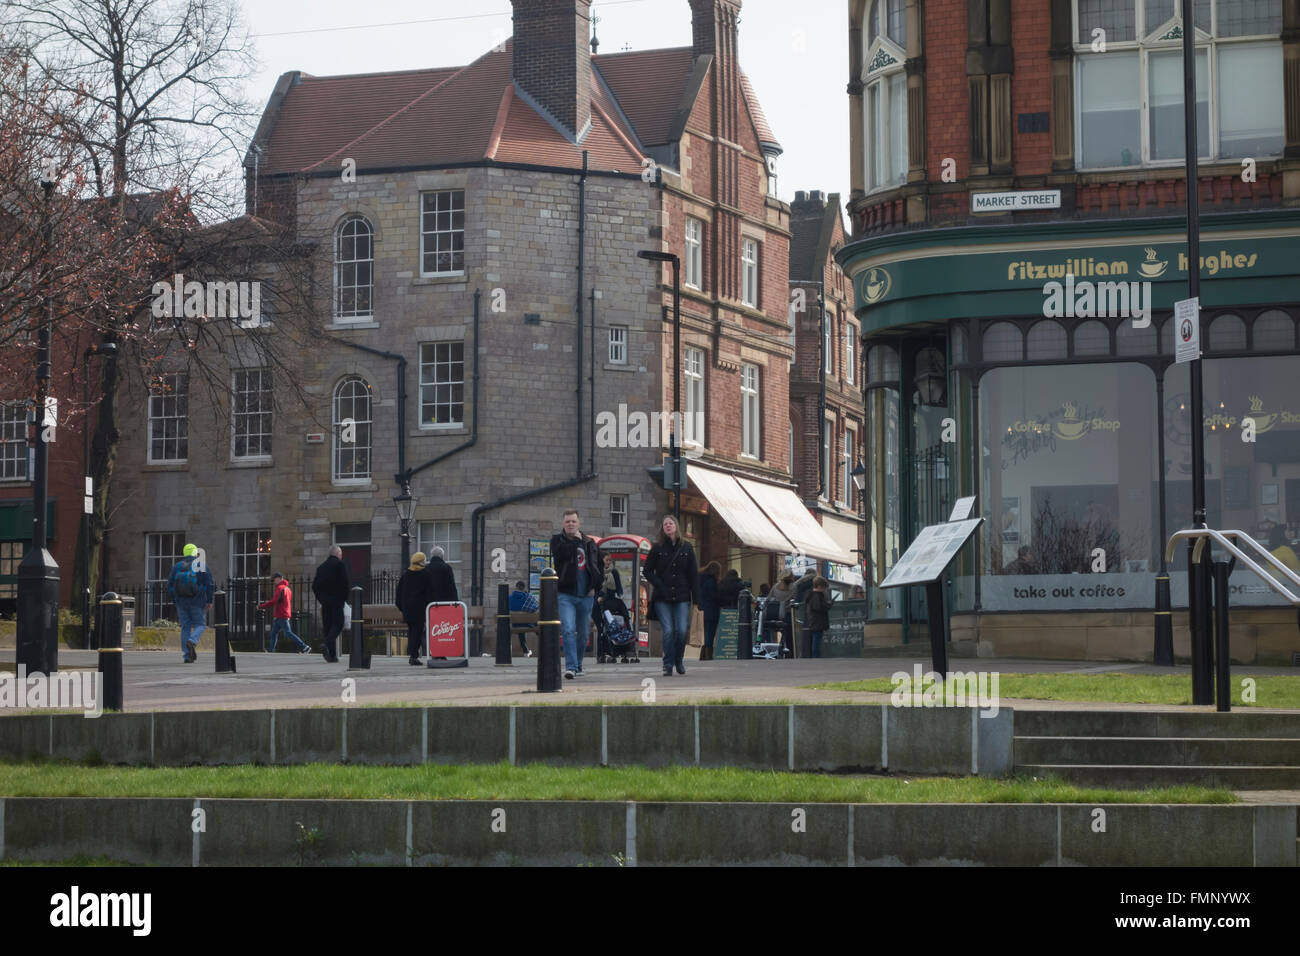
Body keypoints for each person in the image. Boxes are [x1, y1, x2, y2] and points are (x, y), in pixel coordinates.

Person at [550, 509, 604, 679]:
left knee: (583, 634)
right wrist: (575, 542)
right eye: (567, 522)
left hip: (587, 594)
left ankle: (578, 665)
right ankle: (571, 667)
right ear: (563, 524)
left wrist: (597, 586)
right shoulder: (557, 541)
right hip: (566, 593)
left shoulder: (590, 543)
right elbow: (561, 554)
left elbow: (599, 566)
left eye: (573, 521)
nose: (570, 524)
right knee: (567, 629)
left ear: (579, 523)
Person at [645, 515, 699, 677]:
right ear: (662, 528)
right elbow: (647, 570)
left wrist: (697, 599)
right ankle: (667, 664)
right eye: (665, 524)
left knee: (682, 630)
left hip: (682, 595)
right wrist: (658, 583)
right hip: (663, 596)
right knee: (668, 630)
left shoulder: (687, 548)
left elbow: (693, 574)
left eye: (671, 523)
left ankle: (679, 660)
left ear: (676, 526)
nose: (668, 526)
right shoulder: (657, 548)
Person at [167, 543, 214, 664]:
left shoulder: (177, 567)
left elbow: (170, 585)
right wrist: (209, 600)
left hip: (181, 602)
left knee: (185, 627)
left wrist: (175, 599)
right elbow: (209, 584)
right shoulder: (200, 565)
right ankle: (192, 640)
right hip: (198, 601)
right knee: (200, 624)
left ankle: (187, 656)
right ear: (195, 553)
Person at [396, 552, 436, 665]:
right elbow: (430, 593)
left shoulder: (406, 575)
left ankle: (412, 654)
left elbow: (399, 593)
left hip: (407, 609)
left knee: (412, 631)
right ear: (421, 561)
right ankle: (413, 656)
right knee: (417, 632)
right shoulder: (425, 574)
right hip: (420, 609)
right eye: (424, 559)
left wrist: (401, 607)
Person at [312, 545, 351, 663]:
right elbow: (345, 583)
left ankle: (332, 656)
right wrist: (344, 598)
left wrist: (321, 599)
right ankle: (326, 643)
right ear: (338, 553)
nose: (341, 555)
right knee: (338, 625)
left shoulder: (321, 567)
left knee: (328, 628)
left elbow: (314, 586)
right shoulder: (340, 565)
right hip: (337, 601)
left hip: (325, 602)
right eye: (341, 553)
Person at [258, 573, 310, 654]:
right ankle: (271, 651)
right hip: (282, 614)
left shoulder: (280, 588)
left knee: (288, 633)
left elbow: (274, 601)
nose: (274, 581)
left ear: (279, 578)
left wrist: (261, 606)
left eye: (274, 579)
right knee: (274, 633)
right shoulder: (288, 589)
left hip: (281, 615)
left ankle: (304, 646)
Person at [698, 561, 722, 661]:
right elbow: (714, 596)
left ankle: (704, 654)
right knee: (710, 631)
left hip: (705, 608)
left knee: (707, 631)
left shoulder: (702, 579)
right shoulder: (711, 581)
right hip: (712, 609)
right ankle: (708, 654)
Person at [803, 576, 831, 659]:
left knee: (815, 640)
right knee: (816, 641)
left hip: (814, 621)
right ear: (819, 586)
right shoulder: (816, 595)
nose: (825, 590)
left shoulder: (811, 595)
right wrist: (828, 605)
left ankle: (815, 656)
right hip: (817, 622)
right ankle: (816, 657)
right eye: (824, 588)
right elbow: (818, 607)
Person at [508, 580, 538, 657]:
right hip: (528, 624)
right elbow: (535, 608)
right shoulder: (529, 597)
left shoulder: (509, 598)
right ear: (524, 588)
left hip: (515, 624)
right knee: (536, 623)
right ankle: (543, 645)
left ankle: (525, 651)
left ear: (516, 587)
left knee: (520, 625)